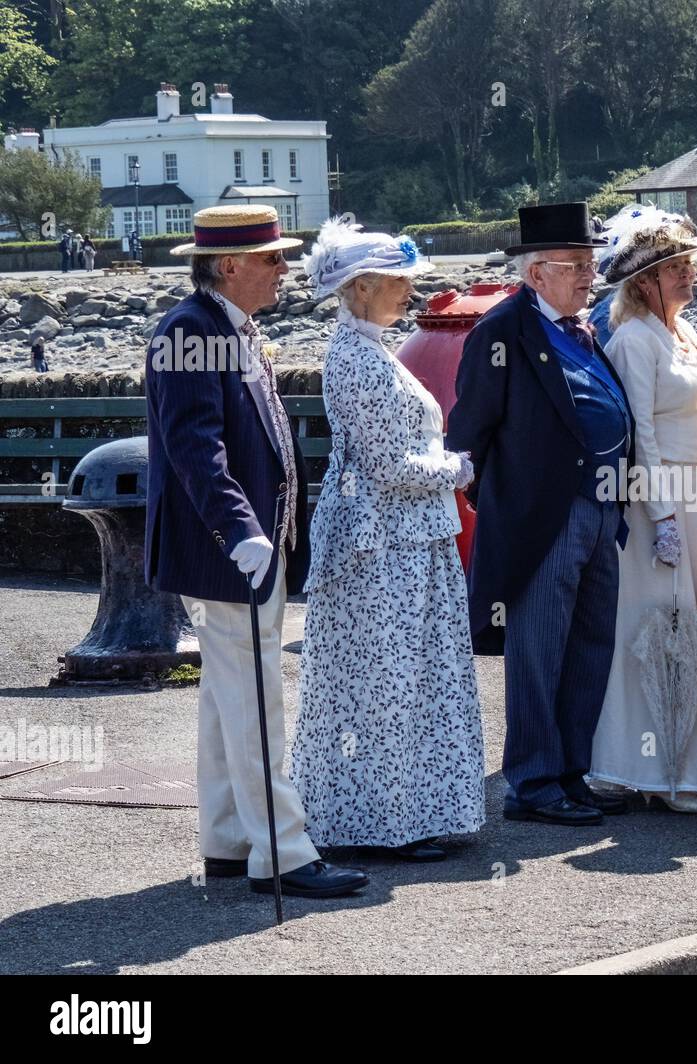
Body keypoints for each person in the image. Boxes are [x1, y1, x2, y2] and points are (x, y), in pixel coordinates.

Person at [146, 205, 367, 898]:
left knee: (226, 697)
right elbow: (195, 447)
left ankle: (229, 838)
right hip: (229, 548)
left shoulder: (227, 328)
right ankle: (285, 852)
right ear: (230, 266)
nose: (285, 269)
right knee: (255, 701)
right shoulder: (189, 331)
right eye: (273, 258)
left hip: (249, 543)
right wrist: (240, 528)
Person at [290, 219, 485, 861]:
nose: (409, 291)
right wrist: (459, 467)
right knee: (386, 679)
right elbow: (390, 467)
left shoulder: (369, 350)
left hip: (407, 536)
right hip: (383, 540)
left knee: (410, 673)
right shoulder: (354, 357)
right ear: (363, 287)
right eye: (398, 281)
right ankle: (384, 821)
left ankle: (409, 814)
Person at [447, 202, 635, 827]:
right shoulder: (501, 333)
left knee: (590, 645)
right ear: (535, 274)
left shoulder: (580, 326)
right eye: (575, 265)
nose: (589, 275)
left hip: (602, 509)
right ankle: (531, 782)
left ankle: (570, 771)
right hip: (542, 519)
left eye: (590, 264)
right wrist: (504, 505)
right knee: (539, 650)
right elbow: (468, 430)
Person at [587, 204, 697, 813]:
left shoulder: (683, 332)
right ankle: (657, 768)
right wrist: (663, 515)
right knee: (658, 628)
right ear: (646, 281)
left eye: (690, 266)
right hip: (662, 497)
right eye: (677, 270)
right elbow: (638, 432)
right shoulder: (635, 340)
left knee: (692, 625)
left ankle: (682, 760)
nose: (690, 276)